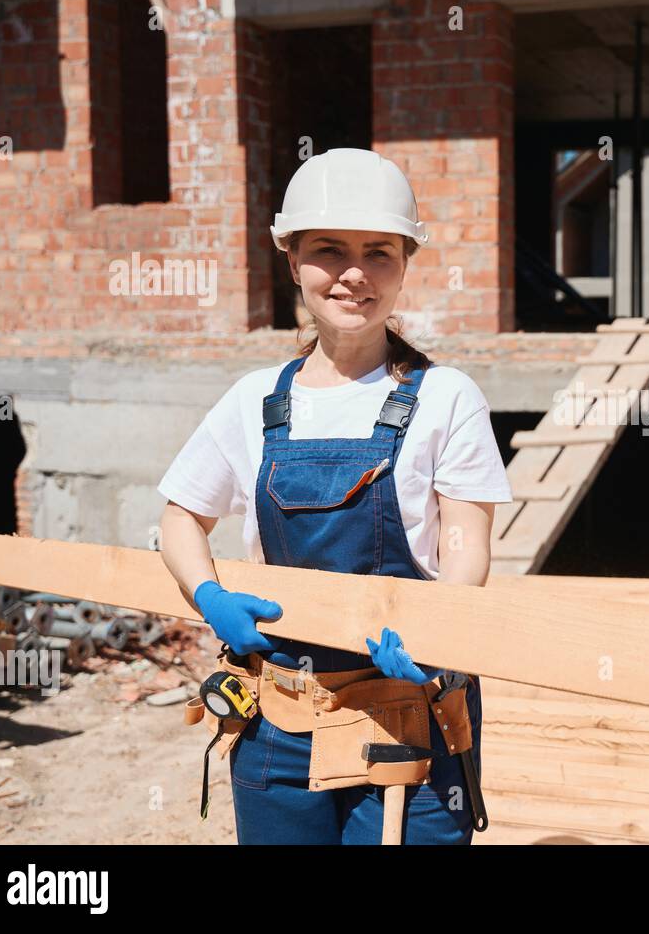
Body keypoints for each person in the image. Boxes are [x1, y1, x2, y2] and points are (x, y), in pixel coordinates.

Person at [156, 148, 512, 844]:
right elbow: (179, 519)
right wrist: (209, 596)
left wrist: (438, 634)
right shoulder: (253, 400)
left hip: (408, 716)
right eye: (328, 250)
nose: (354, 273)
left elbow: (468, 547)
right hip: (277, 719)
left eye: (379, 251)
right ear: (292, 261)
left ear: (405, 261)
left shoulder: (446, 399)